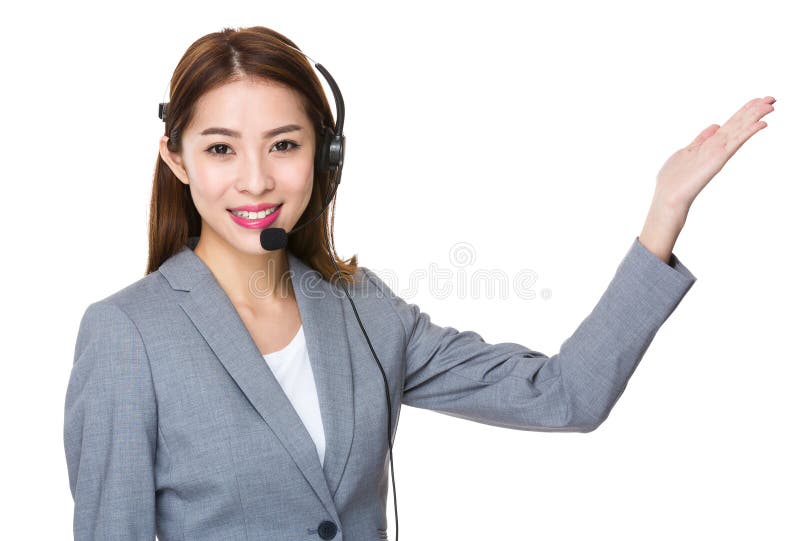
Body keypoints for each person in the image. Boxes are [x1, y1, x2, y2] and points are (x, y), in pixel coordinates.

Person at [63, 25, 775, 541]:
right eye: (221, 148)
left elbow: (565, 395)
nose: (255, 178)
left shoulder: (362, 309)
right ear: (178, 159)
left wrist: (663, 215)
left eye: (284, 144)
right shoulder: (127, 334)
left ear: (326, 154)